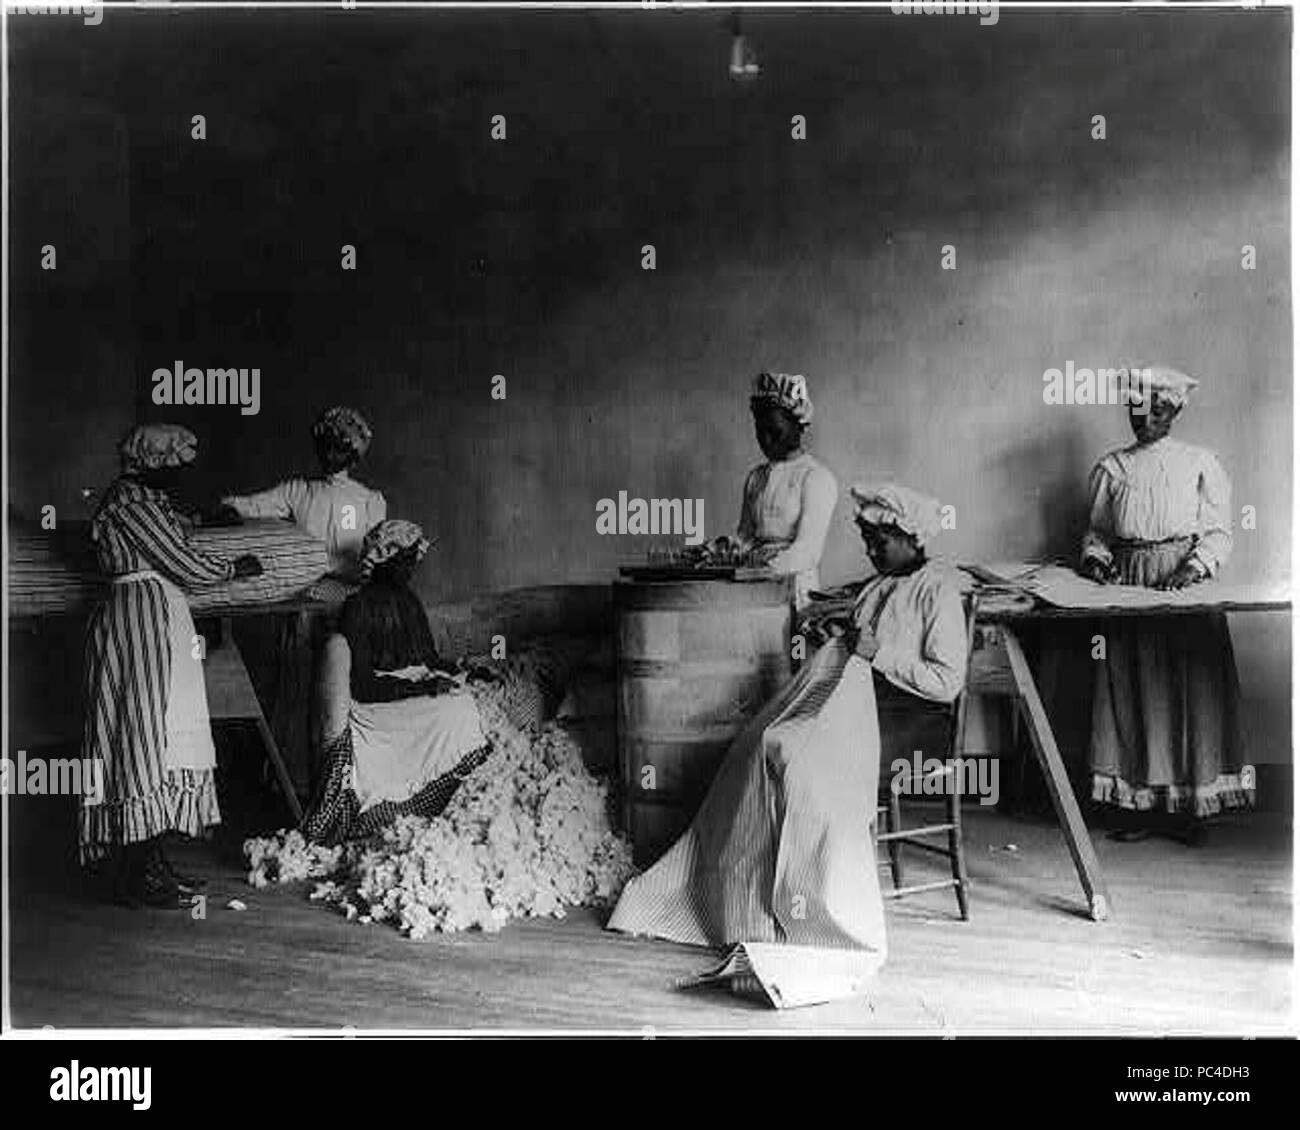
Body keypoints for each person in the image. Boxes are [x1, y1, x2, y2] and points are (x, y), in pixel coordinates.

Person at [607, 483, 965, 963]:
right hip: (853, 709)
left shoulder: (938, 589)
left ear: (910, 536)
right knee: (758, 746)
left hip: (903, 724)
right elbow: (858, 649)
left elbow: (946, 681)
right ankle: (741, 902)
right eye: (868, 541)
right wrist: (833, 633)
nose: (871, 549)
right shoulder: (878, 586)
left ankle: (803, 902)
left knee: (793, 764)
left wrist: (875, 652)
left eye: (879, 541)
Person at [81, 424, 262, 907]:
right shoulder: (132, 502)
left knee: (157, 740)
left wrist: (209, 521)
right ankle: (136, 874)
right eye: (177, 466)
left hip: (158, 620)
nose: (183, 476)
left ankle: (150, 864)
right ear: (155, 463)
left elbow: (178, 530)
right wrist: (230, 569)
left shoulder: (148, 501)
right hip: (138, 621)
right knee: (141, 739)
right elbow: (179, 559)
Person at [1079, 365, 1249, 843]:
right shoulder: (1113, 468)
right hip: (1129, 582)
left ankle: (1190, 808)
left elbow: (1217, 532)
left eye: (1158, 408)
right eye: (1137, 407)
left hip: (1182, 582)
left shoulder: (1199, 463)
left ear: (1175, 411)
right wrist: (1096, 561)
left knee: (1187, 686)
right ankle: (1139, 806)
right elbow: (1097, 532)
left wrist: (1191, 570)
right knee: (1132, 688)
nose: (1145, 416)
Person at [300, 520, 491, 845]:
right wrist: (427, 689)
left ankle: (442, 801)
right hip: (380, 700)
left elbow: (430, 659)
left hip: (415, 685)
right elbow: (362, 685)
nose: (411, 570)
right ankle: (393, 804)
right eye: (405, 562)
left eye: (412, 562)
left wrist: (462, 667)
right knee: (450, 709)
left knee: (462, 705)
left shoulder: (410, 602)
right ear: (384, 561)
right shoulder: (357, 608)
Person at [698, 373, 837, 612]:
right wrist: (723, 548)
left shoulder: (816, 478)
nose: (765, 439)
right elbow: (746, 535)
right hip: (753, 587)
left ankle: (798, 649)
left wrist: (758, 567)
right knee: (755, 647)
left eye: (774, 430)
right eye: (759, 431)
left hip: (794, 587)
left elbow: (808, 551)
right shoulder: (756, 477)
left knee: (795, 648)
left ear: (798, 424)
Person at [220, 406, 387, 579]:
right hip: (305, 584)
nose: (330, 455)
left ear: (352, 457)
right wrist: (229, 506)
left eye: (338, 449)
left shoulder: (369, 500)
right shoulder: (298, 490)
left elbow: (377, 554)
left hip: (352, 588)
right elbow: (256, 505)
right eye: (326, 445)